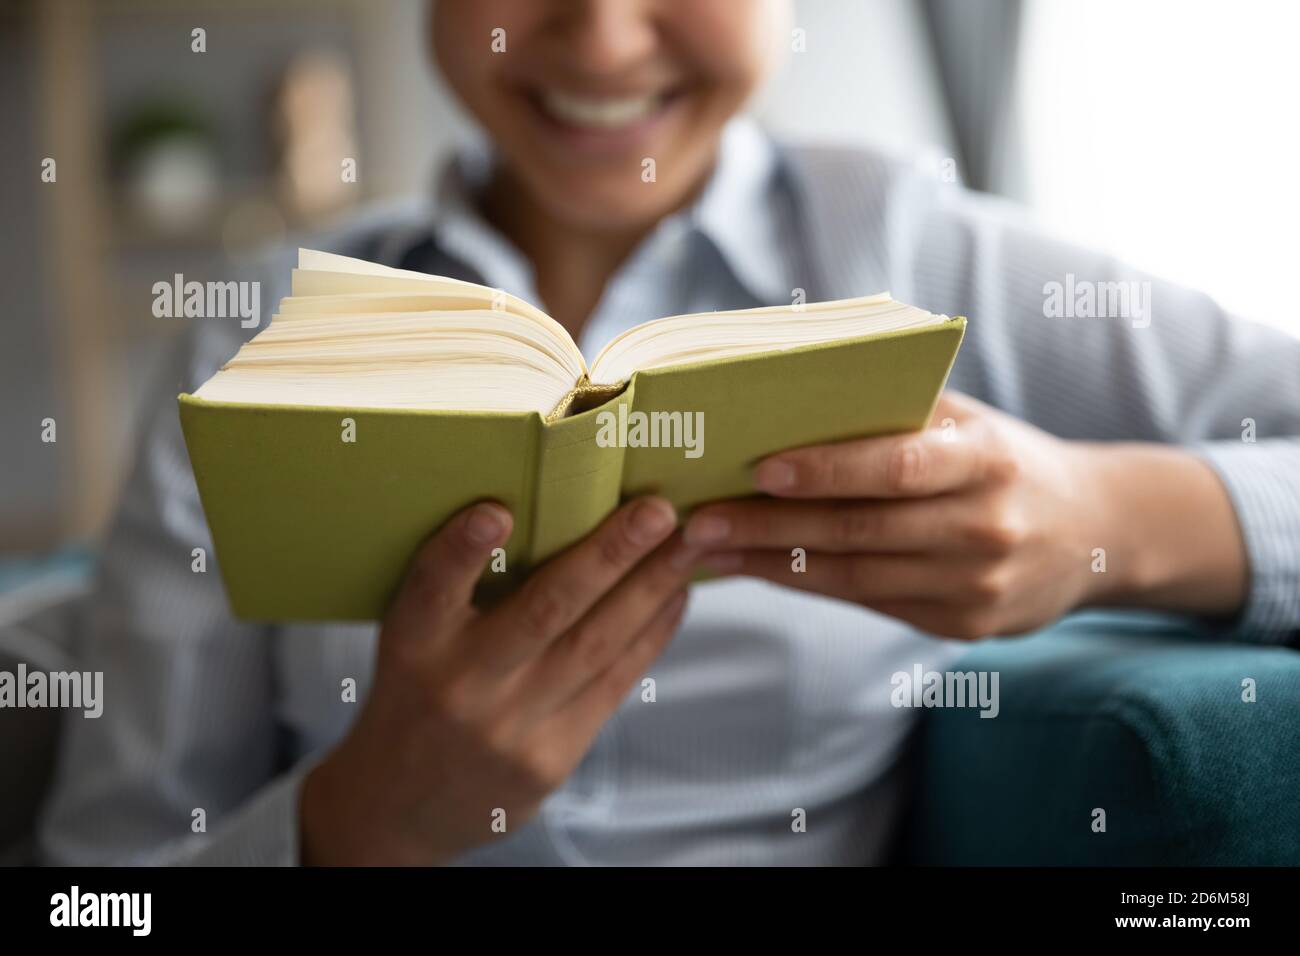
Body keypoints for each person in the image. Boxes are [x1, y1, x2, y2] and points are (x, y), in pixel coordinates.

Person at [40, 0, 1300, 865]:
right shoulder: (257, 335)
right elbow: (103, 882)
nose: (600, 36)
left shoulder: (916, 251)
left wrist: (1107, 523)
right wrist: (356, 822)